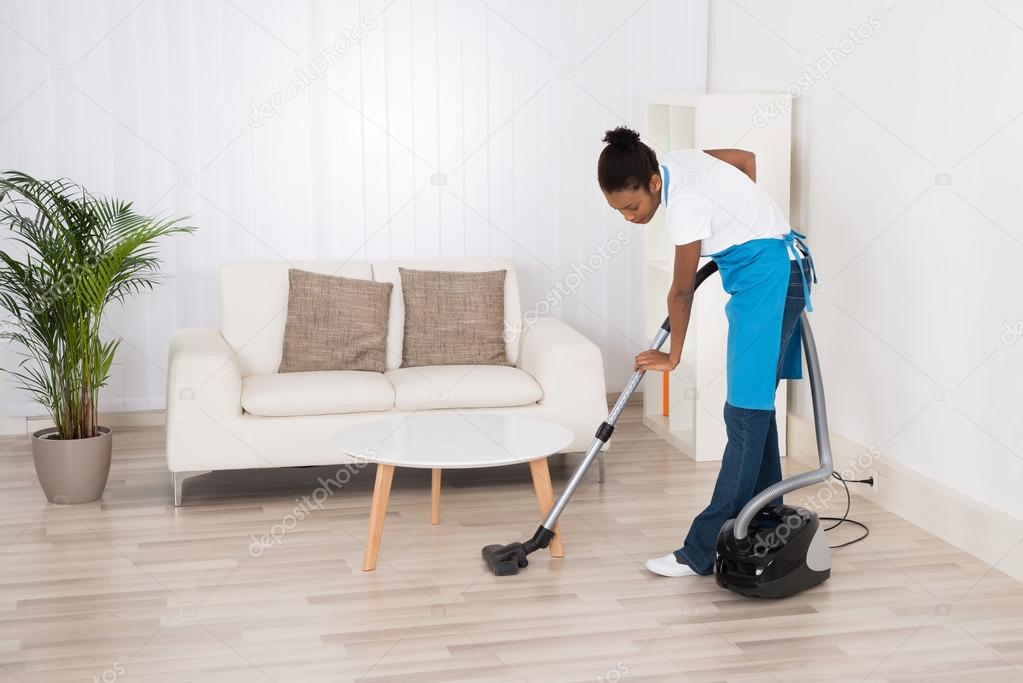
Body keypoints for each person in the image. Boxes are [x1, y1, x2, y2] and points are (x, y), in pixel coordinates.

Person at [597, 126, 816, 577]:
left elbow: (680, 291)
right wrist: (746, 219)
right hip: (776, 272)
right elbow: (743, 159)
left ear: (653, 183)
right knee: (753, 409)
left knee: (744, 414)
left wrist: (672, 356)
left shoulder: (684, 207)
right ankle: (768, 512)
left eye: (633, 207)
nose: (631, 218)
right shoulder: (676, 160)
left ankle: (698, 553)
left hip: (770, 284)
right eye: (619, 211)